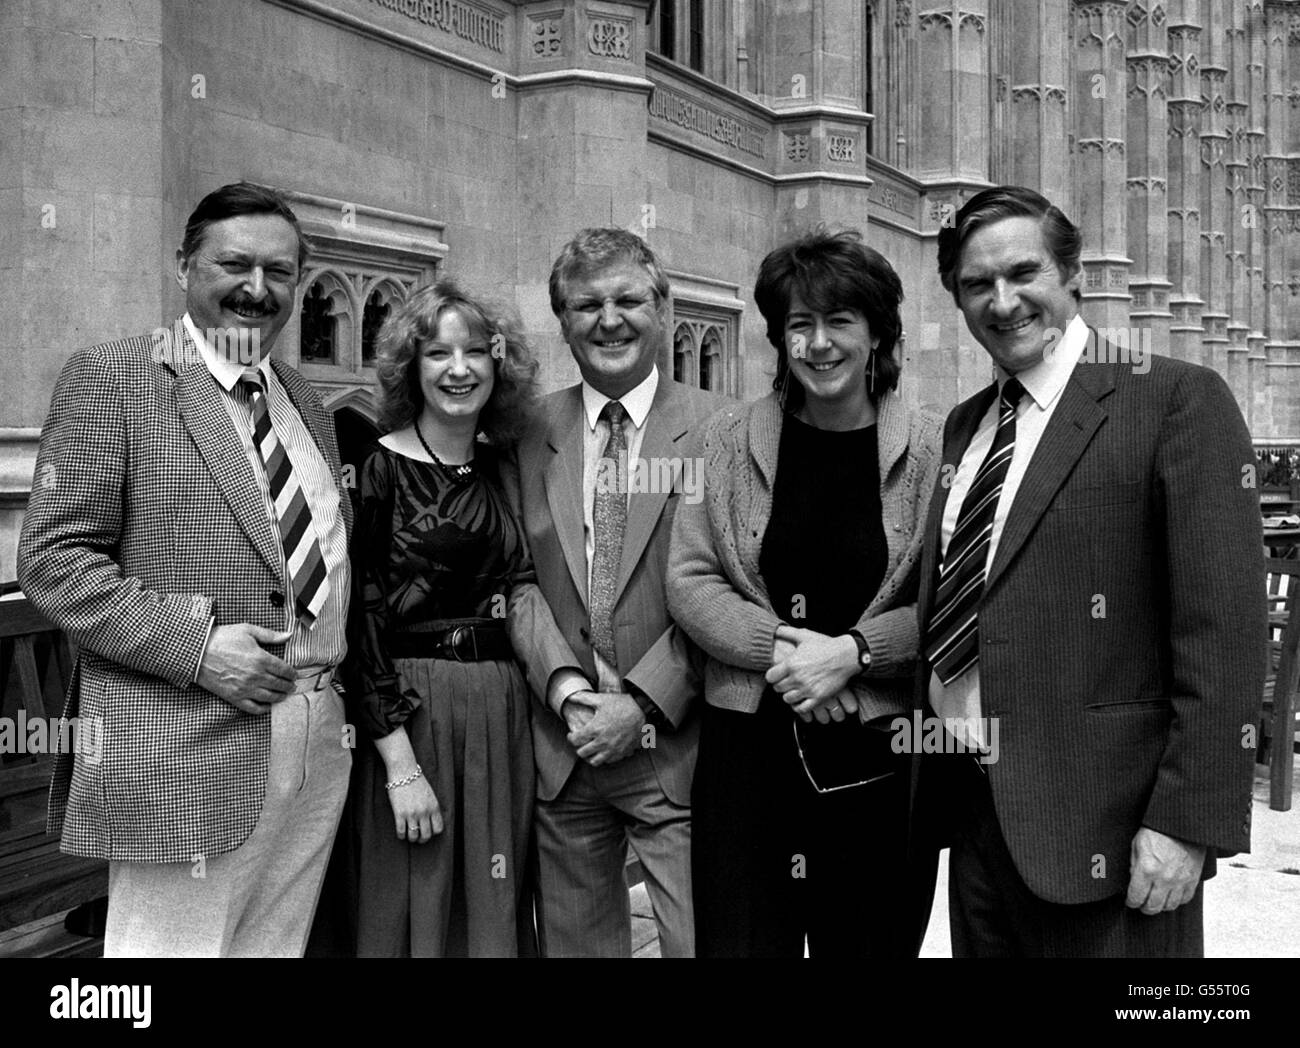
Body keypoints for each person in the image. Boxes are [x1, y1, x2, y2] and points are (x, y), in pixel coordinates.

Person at [913, 185, 1265, 957]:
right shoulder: (965, 426)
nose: (1002, 302)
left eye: (1023, 273)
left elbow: (1226, 629)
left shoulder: (1173, 400)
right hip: (978, 819)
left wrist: (1185, 824)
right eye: (977, 284)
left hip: (1111, 831)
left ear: (1071, 275)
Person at [17, 182, 352, 957]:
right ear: (184, 267)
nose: (257, 289)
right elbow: (53, 558)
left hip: (314, 727)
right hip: (185, 736)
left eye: (280, 271)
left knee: (273, 947)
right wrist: (198, 649)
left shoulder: (304, 398)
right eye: (233, 263)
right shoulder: (115, 378)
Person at [666, 229, 942, 957]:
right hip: (748, 753)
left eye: (840, 321)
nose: (819, 344)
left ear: (879, 333)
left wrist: (854, 653)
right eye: (799, 325)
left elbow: (951, 598)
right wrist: (791, 657)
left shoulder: (937, 449)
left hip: (880, 755)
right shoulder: (718, 442)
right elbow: (690, 578)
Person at [504, 228, 726, 957]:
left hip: (680, 749)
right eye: (586, 304)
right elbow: (516, 581)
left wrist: (643, 703)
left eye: (629, 299)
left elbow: (732, 587)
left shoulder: (721, 430)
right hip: (564, 751)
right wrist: (568, 693)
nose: (609, 319)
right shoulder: (527, 430)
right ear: (561, 320)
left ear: (662, 308)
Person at [349, 278, 539, 957]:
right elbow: (359, 621)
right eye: (437, 353)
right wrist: (399, 764)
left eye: (476, 352)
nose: (459, 369)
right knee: (412, 904)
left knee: (492, 910)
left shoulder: (506, 466)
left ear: (499, 363)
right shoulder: (379, 469)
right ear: (412, 367)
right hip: (415, 713)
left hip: (502, 715)